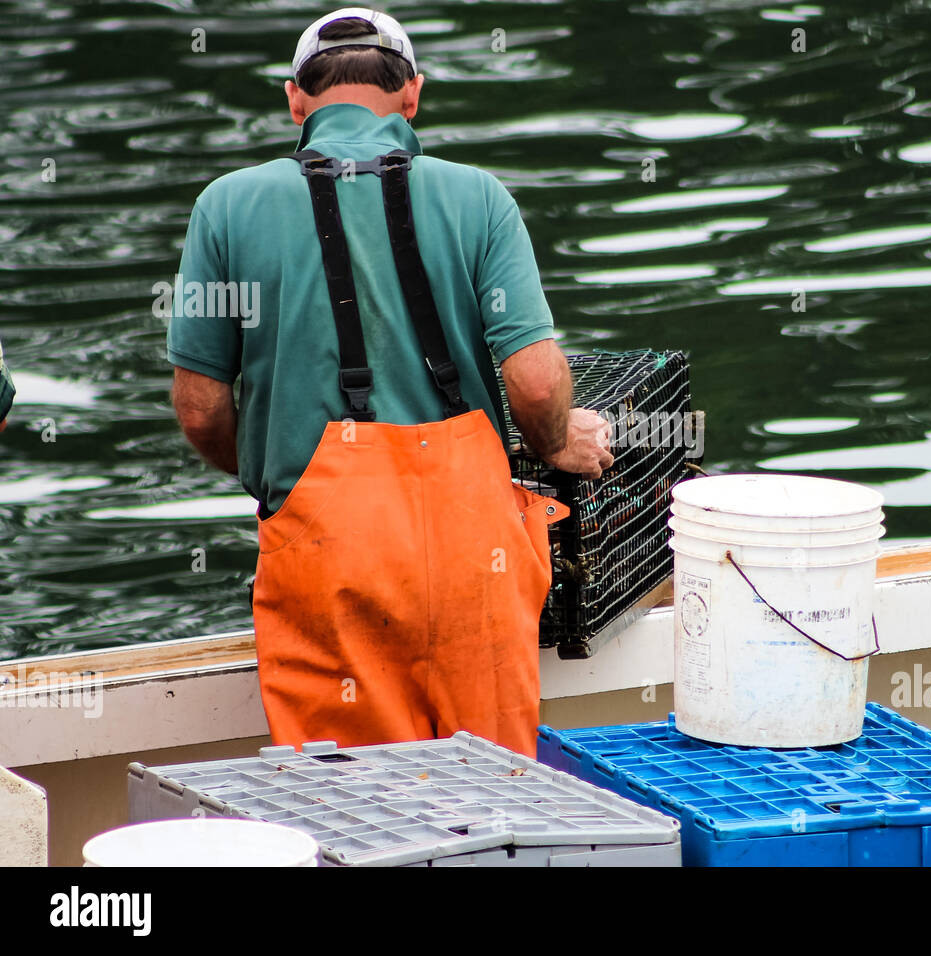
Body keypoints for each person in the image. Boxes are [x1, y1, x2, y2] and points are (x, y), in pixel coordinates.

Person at [166, 8, 613, 758]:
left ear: (295, 101)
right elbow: (535, 388)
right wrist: (558, 439)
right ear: (412, 95)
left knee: (355, 810)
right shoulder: (480, 198)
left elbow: (199, 404)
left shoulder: (226, 206)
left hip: (324, 552)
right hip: (477, 549)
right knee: (494, 801)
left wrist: (272, 469)